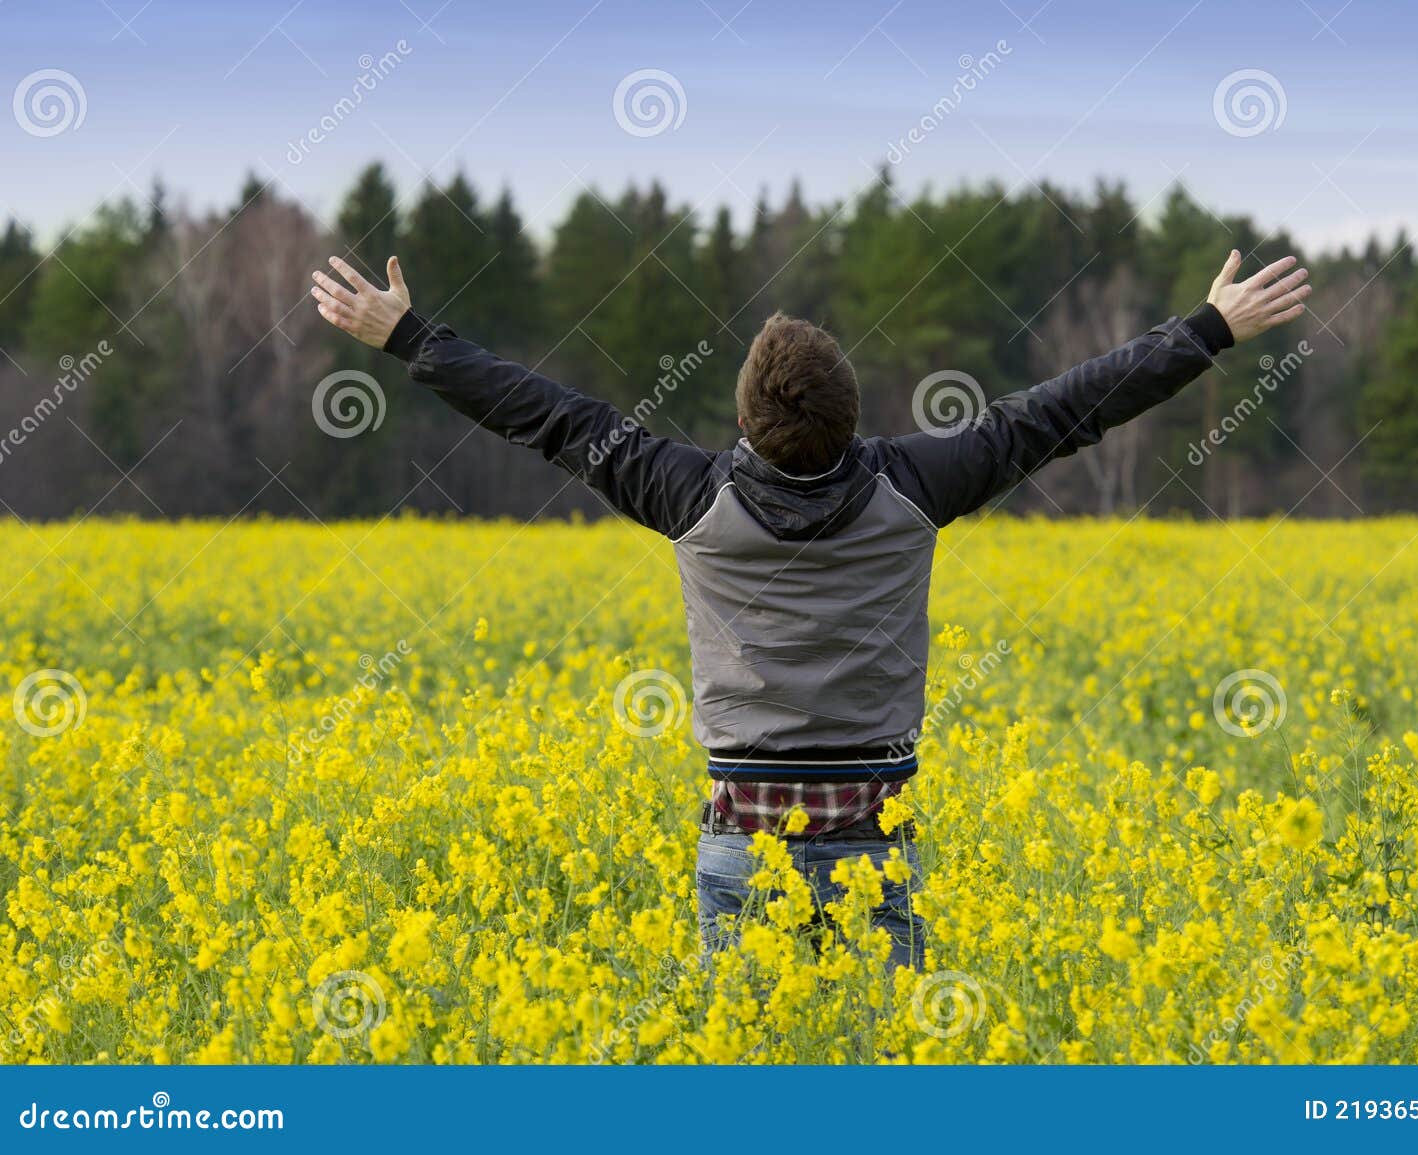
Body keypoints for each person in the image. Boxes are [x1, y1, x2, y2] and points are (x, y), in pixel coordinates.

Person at [312, 247, 1310, 971]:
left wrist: (407, 336)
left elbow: (550, 418)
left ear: (743, 422)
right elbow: (1058, 412)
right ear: (852, 416)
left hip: (740, 837)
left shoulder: (684, 495)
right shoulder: (917, 486)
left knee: (746, 1089)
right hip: (875, 835)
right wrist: (1210, 328)